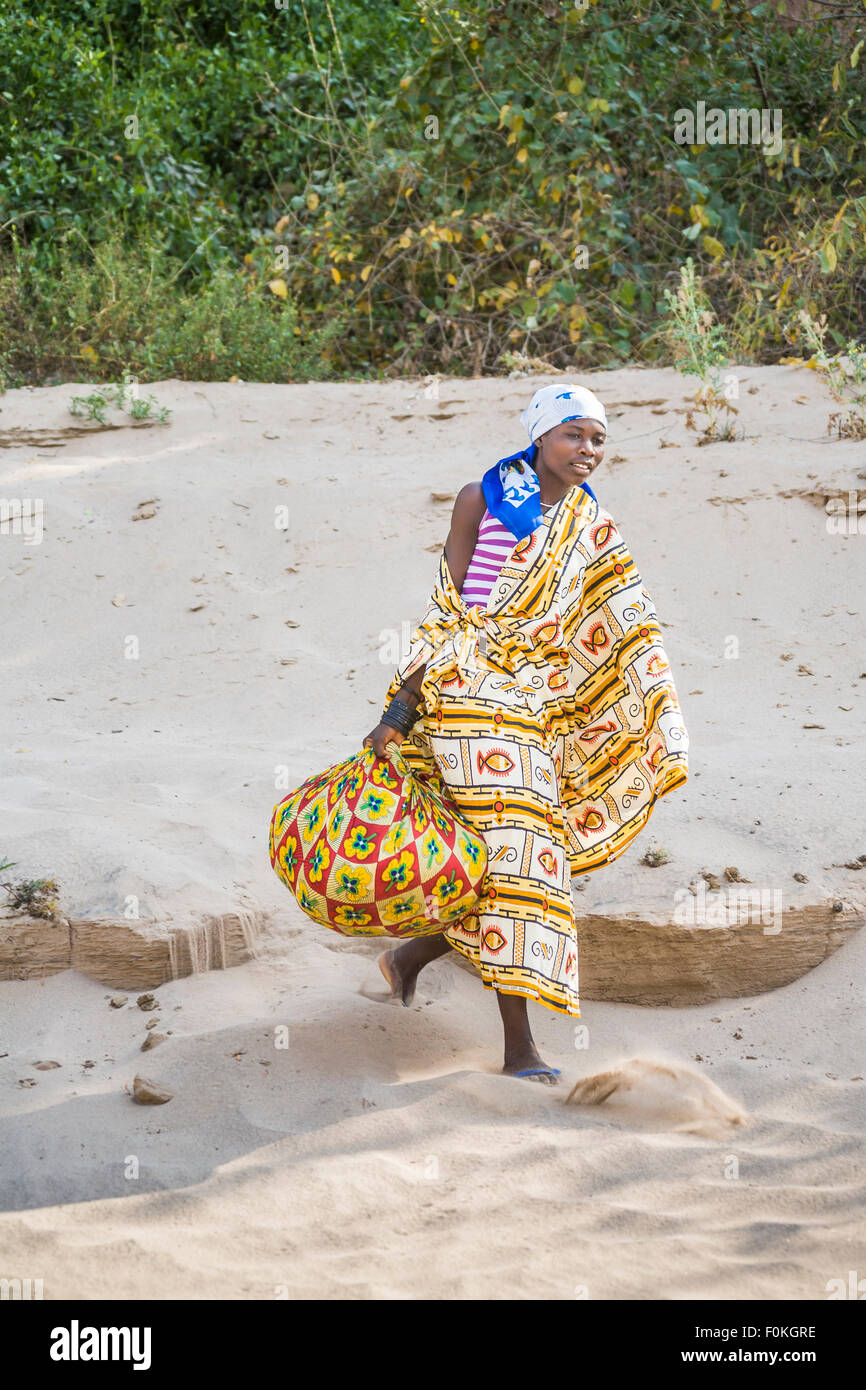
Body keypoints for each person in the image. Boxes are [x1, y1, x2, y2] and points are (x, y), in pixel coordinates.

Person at [363, 383, 688, 1083]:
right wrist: (399, 711)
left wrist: (653, 704)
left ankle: (410, 957)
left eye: (599, 439)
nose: (588, 450)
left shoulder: (592, 529)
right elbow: (447, 614)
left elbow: (622, 629)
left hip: (531, 710)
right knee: (519, 861)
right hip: (463, 698)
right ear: (539, 436)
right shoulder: (480, 499)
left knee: (511, 861)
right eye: (575, 434)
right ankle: (519, 1050)